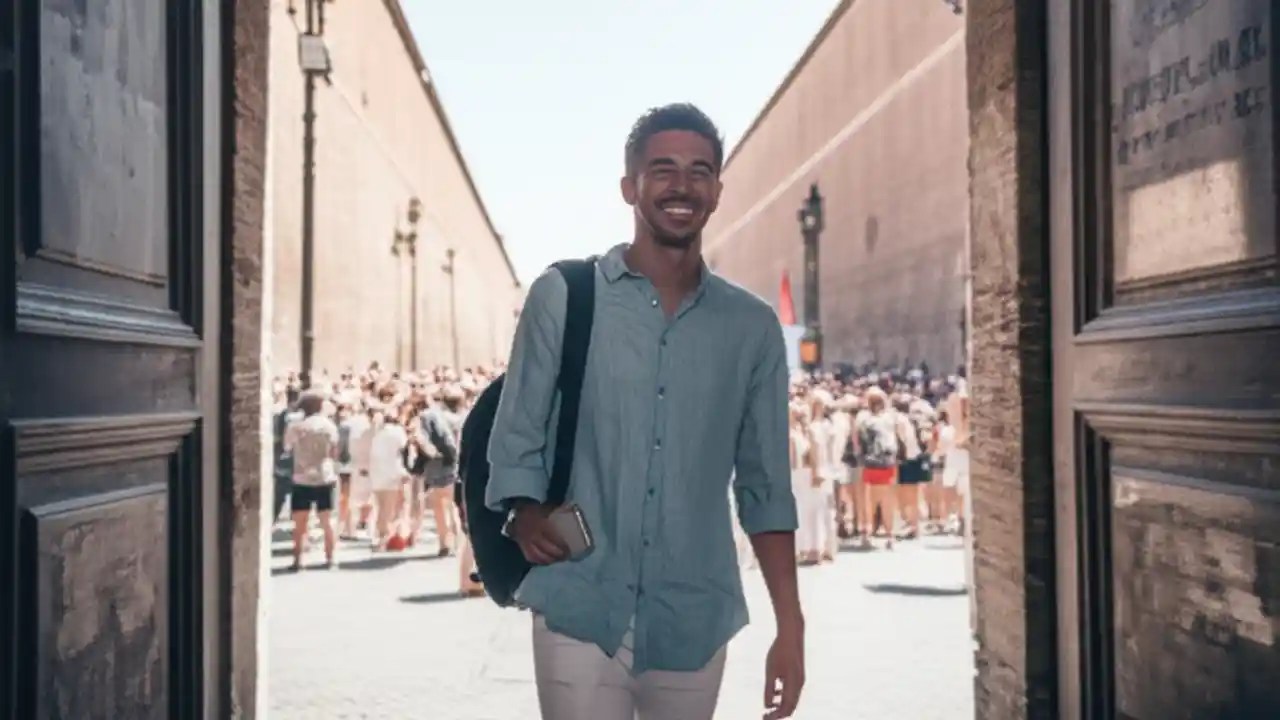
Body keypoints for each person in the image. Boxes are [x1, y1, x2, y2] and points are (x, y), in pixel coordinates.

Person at [487, 103, 804, 720]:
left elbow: (768, 487)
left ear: (716, 191)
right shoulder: (564, 296)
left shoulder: (752, 329)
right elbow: (516, 437)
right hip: (579, 604)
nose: (681, 185)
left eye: (699, 171)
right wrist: (525, 512)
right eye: (662, 170)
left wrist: (789, 627)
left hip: (694, 616)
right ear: (630, 186)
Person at [282, 390, 340, 570]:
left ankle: (298, 560)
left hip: (301, 476)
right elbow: (335, 451)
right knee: (327, 520)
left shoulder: (296, 427)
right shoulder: (329, 426)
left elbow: (287, 447)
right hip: (324, 475)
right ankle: (331, 558)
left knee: (300, 521)